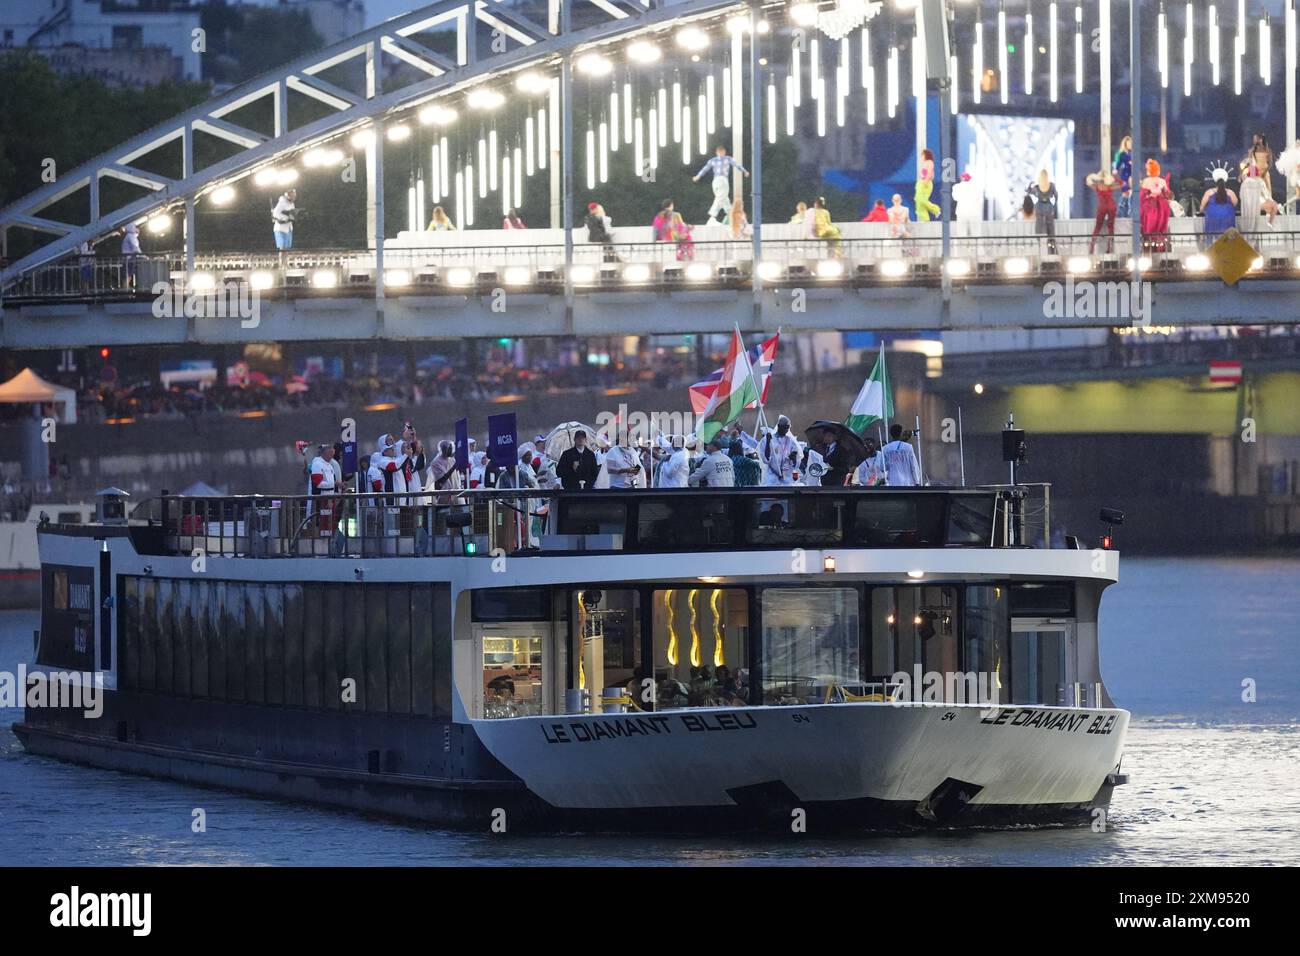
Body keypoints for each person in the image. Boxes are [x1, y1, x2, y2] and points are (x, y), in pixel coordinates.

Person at [693, 145, 749, 223]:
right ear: (721, 152)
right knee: (720, 197)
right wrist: (744, 171)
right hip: (721, 179)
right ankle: (713, 215)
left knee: (723, 197)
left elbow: (705, 169)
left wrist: (698, 176)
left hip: (716, 180)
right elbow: (737, 165)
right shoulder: (726, 159)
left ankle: (730, 214)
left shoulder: (714, 160)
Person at [1139, 159, 1172, 253]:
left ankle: (1149, 244)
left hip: (1151, 206)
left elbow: (1141, 196)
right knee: (1160, 226)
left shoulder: (1145, 181)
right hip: (1161, 207)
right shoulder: (1162, 181)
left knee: (1149, 226)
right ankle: (1158, 244)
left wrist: (1150, 194)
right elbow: (1167, 194)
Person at [1086, 169, 1122, 254]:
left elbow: (1087, 182)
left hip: (1102, 206)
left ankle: (1092, 248)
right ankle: (1110, 248)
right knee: (1110, 227)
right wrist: (1113, 177)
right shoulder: (1109, 186)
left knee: (1097, 227)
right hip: (1111, 205)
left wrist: (1093, 176)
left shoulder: (1097, 186)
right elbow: (1121, 183)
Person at [1199, 168, 1238, 244]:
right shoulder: (1230, 192)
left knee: (1212, 238)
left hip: (1212, 219)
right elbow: (1235, 203)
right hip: (1228, 220)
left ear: (1215, 183)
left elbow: (1202, 207)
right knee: (1228, 239)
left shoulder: (1209, 192)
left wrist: (1203, 211)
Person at [1238, 162, 1276, 236]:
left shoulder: (1245, 182)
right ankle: (1269, 223)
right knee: (1274, 206)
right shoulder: (1259, 181)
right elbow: (1266, 194)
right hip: (1257, 204)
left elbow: (1241, 195)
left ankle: (1268, 222)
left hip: (1247, 205)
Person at [760, 416, 800, 486]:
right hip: (772, 479)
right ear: (779, 426)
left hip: (787, 480)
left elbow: (796, 463)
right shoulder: (768, 440)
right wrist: (768, 443)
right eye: (784, 427)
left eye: (788, 427)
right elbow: (766, 459)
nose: (786, 429)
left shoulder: (790, 441)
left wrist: (793, 458)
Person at [1027, 170, 1058, 255]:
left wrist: (1030, 185)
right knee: (1051, 231)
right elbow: (1056, 196)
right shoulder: (1051, 186)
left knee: (1039, 229)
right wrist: (1053, 205)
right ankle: (1052, 252)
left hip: (1039, 208)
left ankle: (1039, 250)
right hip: (1049, 208)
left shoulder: (1037, 187)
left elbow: (1029, 191)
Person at [1240, 133, 1275, 201]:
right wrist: (1242, 173)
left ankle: (1269, 207)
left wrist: (1264, 172)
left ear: (1261, 140)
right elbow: (1249, 162)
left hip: (1265, 173)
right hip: (1256, 173)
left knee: (1267, 192)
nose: (1254, 141)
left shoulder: (1267, 150)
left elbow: (1270, 163)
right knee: (1257, 193)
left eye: (1256, 139)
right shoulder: (1252, 151)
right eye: (1253, 139)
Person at [307, 442, 336, 520]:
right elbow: (318, 483)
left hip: (329, 497)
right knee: (320, 520)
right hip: (321, 498)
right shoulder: (317, 464)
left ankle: (327, 533)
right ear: (324, 453)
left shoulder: (329, 465)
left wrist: (336, 484)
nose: (332, 456)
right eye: (330, 454)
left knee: (328, 520)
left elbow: (333, 480)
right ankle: (318, 532)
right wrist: (332, 484)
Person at [272, 188, 297, 269]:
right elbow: (275, 213)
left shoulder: (292, 204)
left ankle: (286, 263)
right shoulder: (282, 203)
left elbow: (292, 214)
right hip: (280, 228)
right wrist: (284, 218)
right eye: (292, 195)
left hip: (289, 227)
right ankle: (281, 264)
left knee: (287, 247)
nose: (294, 197)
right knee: (282, 247)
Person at [915, 148, 942, 221]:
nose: (921, 157)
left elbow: (930, 173)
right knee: (918, 201)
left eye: (922, 155)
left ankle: (936, 209)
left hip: (926, 183)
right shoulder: (925, 163)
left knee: (921, 199)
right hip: (922, 182)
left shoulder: (929, 162)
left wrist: (925, 182)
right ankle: (925, 219)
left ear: (926, 155)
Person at [1113, 134, 1134, 217]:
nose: (1130, 145)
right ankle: (1122, 211)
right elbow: (1118, 163)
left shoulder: (1130, 153)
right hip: (1126, 175)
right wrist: (1115, 170)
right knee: (1126, 193)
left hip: (1130, 175)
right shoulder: (1123, 154)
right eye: (1129, 143)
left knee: (1129, 193)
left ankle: (1127, 210)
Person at [121, 222, 141, 291]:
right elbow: (135, 249)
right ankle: (125, 290)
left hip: (128, 259)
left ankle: (125, 289)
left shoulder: (128, 236)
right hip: (130, 259)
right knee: (128, 276)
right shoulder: (130, 236)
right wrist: (144, 256)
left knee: (128, 276)